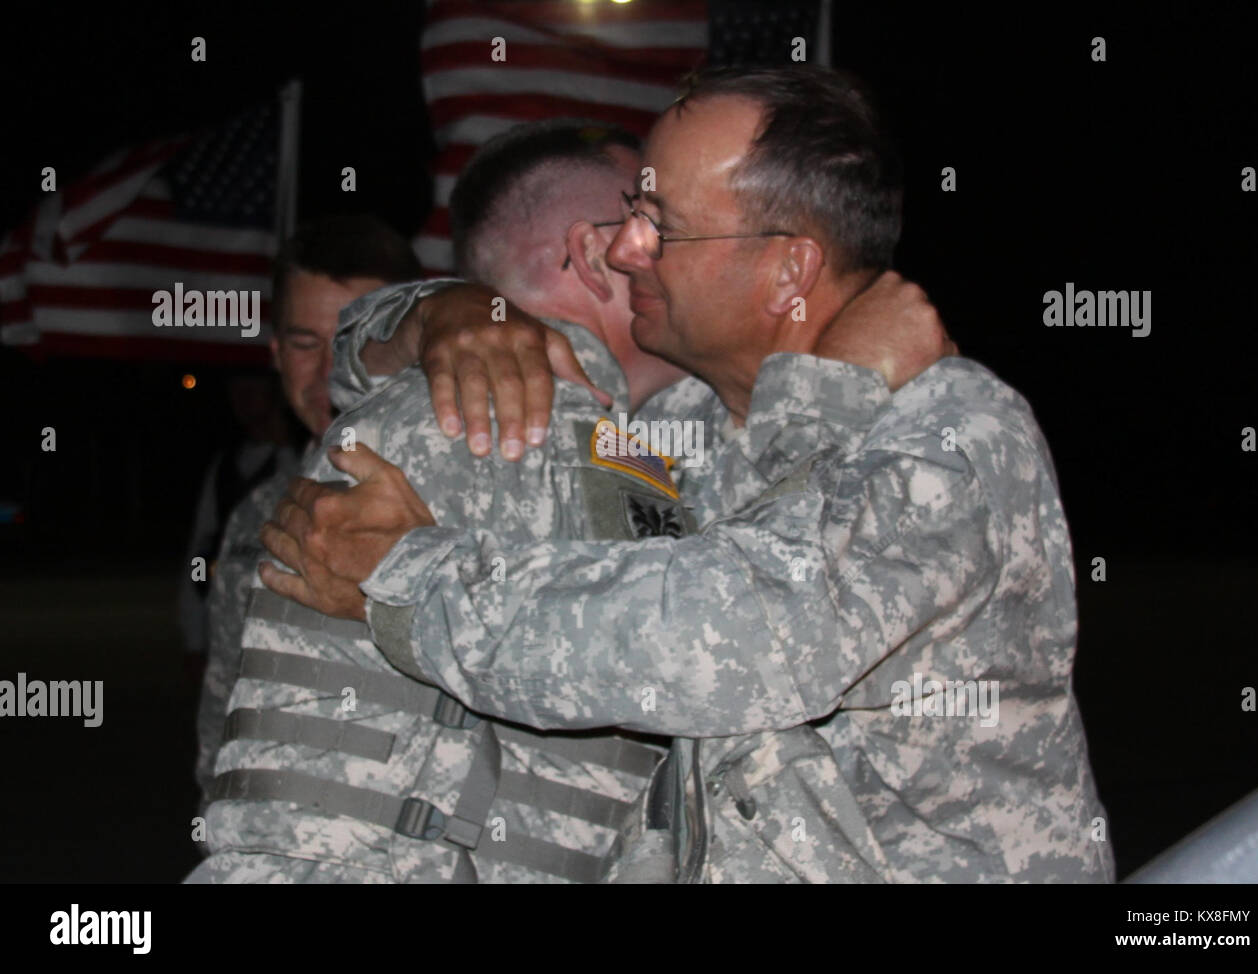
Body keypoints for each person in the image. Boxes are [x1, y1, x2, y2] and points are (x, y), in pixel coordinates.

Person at [266, 65, 1114, 882]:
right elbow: (363, 383)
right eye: (634, 206)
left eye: (660, 221)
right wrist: (438, 314)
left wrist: (405, 579)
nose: (627, 247)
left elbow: (730, 636)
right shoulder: (678, 432)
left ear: (790, 269)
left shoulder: (949, 430)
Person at [190, 115, 946, 883]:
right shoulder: (495, 416)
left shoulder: (623, 440)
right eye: (644, 225)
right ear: (592, 254)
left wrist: (424, 312)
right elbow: (750, 631)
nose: (646, 253)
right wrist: (846, 390)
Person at [193, 213, 422, 814]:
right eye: (304, 343)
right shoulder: (254, 515)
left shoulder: (462, 504)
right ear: (274, 352)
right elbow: (224, 715)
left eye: (355, 342)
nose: (329, 372)